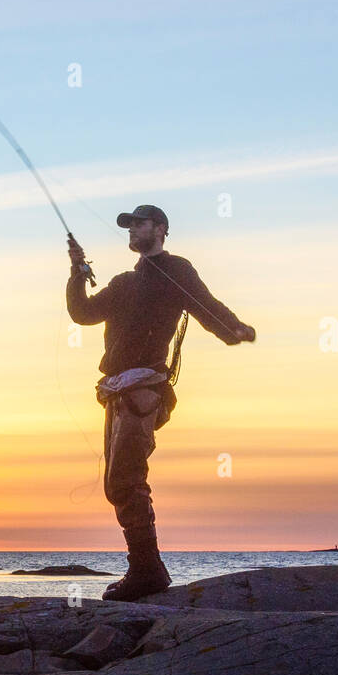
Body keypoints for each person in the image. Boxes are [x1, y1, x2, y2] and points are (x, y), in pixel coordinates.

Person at [67, 205, 255, 600]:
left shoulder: (175, 270)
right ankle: (146, 568)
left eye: (140, 223)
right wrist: (76, 273)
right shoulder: (122, 283)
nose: (133, 230)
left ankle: (147, 571)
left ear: (161, 229)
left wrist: (233, 329)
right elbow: (82, 314)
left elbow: (204, 306)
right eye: (130, 225)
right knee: (117, 484)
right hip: (116, 392)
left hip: (144, 389)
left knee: (127, 479)